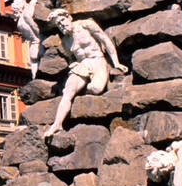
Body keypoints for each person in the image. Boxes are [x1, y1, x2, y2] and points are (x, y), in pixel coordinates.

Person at [43, 8, 128, 138]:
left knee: (96, 88)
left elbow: (105, 40)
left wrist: (116, 63)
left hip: (97, 60)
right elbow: (71, 58)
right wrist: (73, 64)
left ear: (68, 17)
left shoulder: (86, 25)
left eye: (62, 20)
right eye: (58, 24)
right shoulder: (65, 41)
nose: (61, 25)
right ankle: (57, 124)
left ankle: (83, 88)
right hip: (82, 64)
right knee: (68, 92)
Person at [10, 0, 41, 78]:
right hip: (38, 44)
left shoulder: (19, 23)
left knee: (34, 65)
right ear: (22, 5)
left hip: (32, 47)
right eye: (25, 2)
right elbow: (34, 27)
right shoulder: (26, 14)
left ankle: (34, 79)